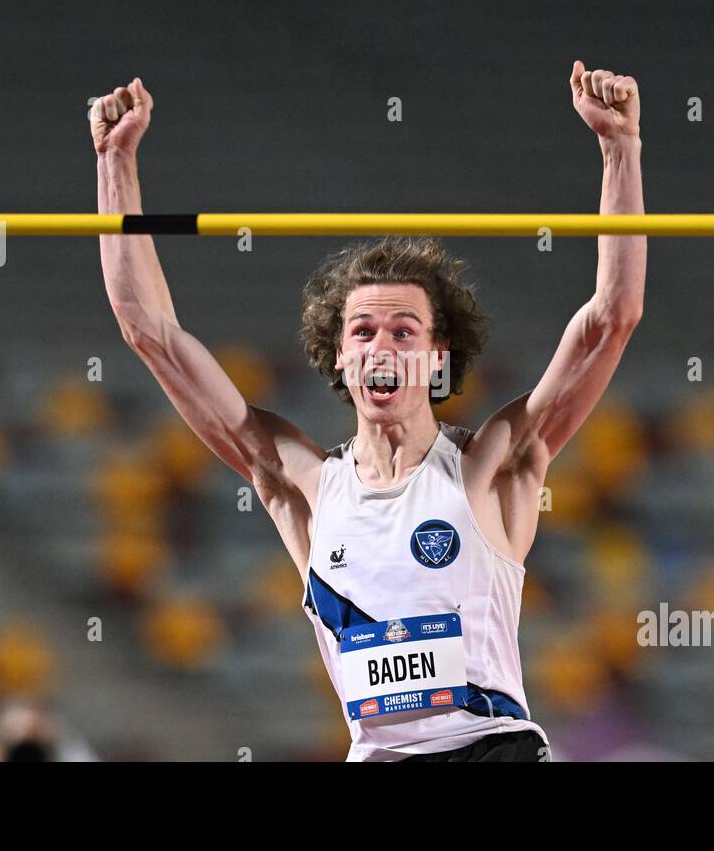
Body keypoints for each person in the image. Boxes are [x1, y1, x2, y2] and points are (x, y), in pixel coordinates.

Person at [90, 61, 645, 761]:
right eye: (363, 331)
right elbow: (151, 333)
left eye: (404, 330)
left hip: (489, 749)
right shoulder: (303, 484)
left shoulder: (494, 465)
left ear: (438, 359)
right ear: (341, 361)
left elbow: (610, 320)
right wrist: (116, 161)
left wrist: (619, 149)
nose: (382, 344)